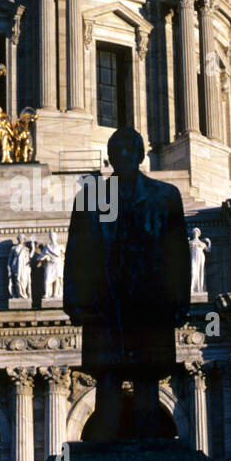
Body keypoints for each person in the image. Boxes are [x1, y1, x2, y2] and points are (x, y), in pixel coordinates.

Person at [63, 126, 190, 440]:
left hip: (150, 299)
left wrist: (179, 301)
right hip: (105, 301)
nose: (121, 155)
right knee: (107, 378)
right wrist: (74, 300)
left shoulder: (166, 196)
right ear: (109, 157)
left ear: (140, 155)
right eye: (115, 150)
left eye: (127, 149)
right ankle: (104, 445)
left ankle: (150, 445)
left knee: (148, 377)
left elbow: (178, 253)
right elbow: (74, 252)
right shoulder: (89, 198)